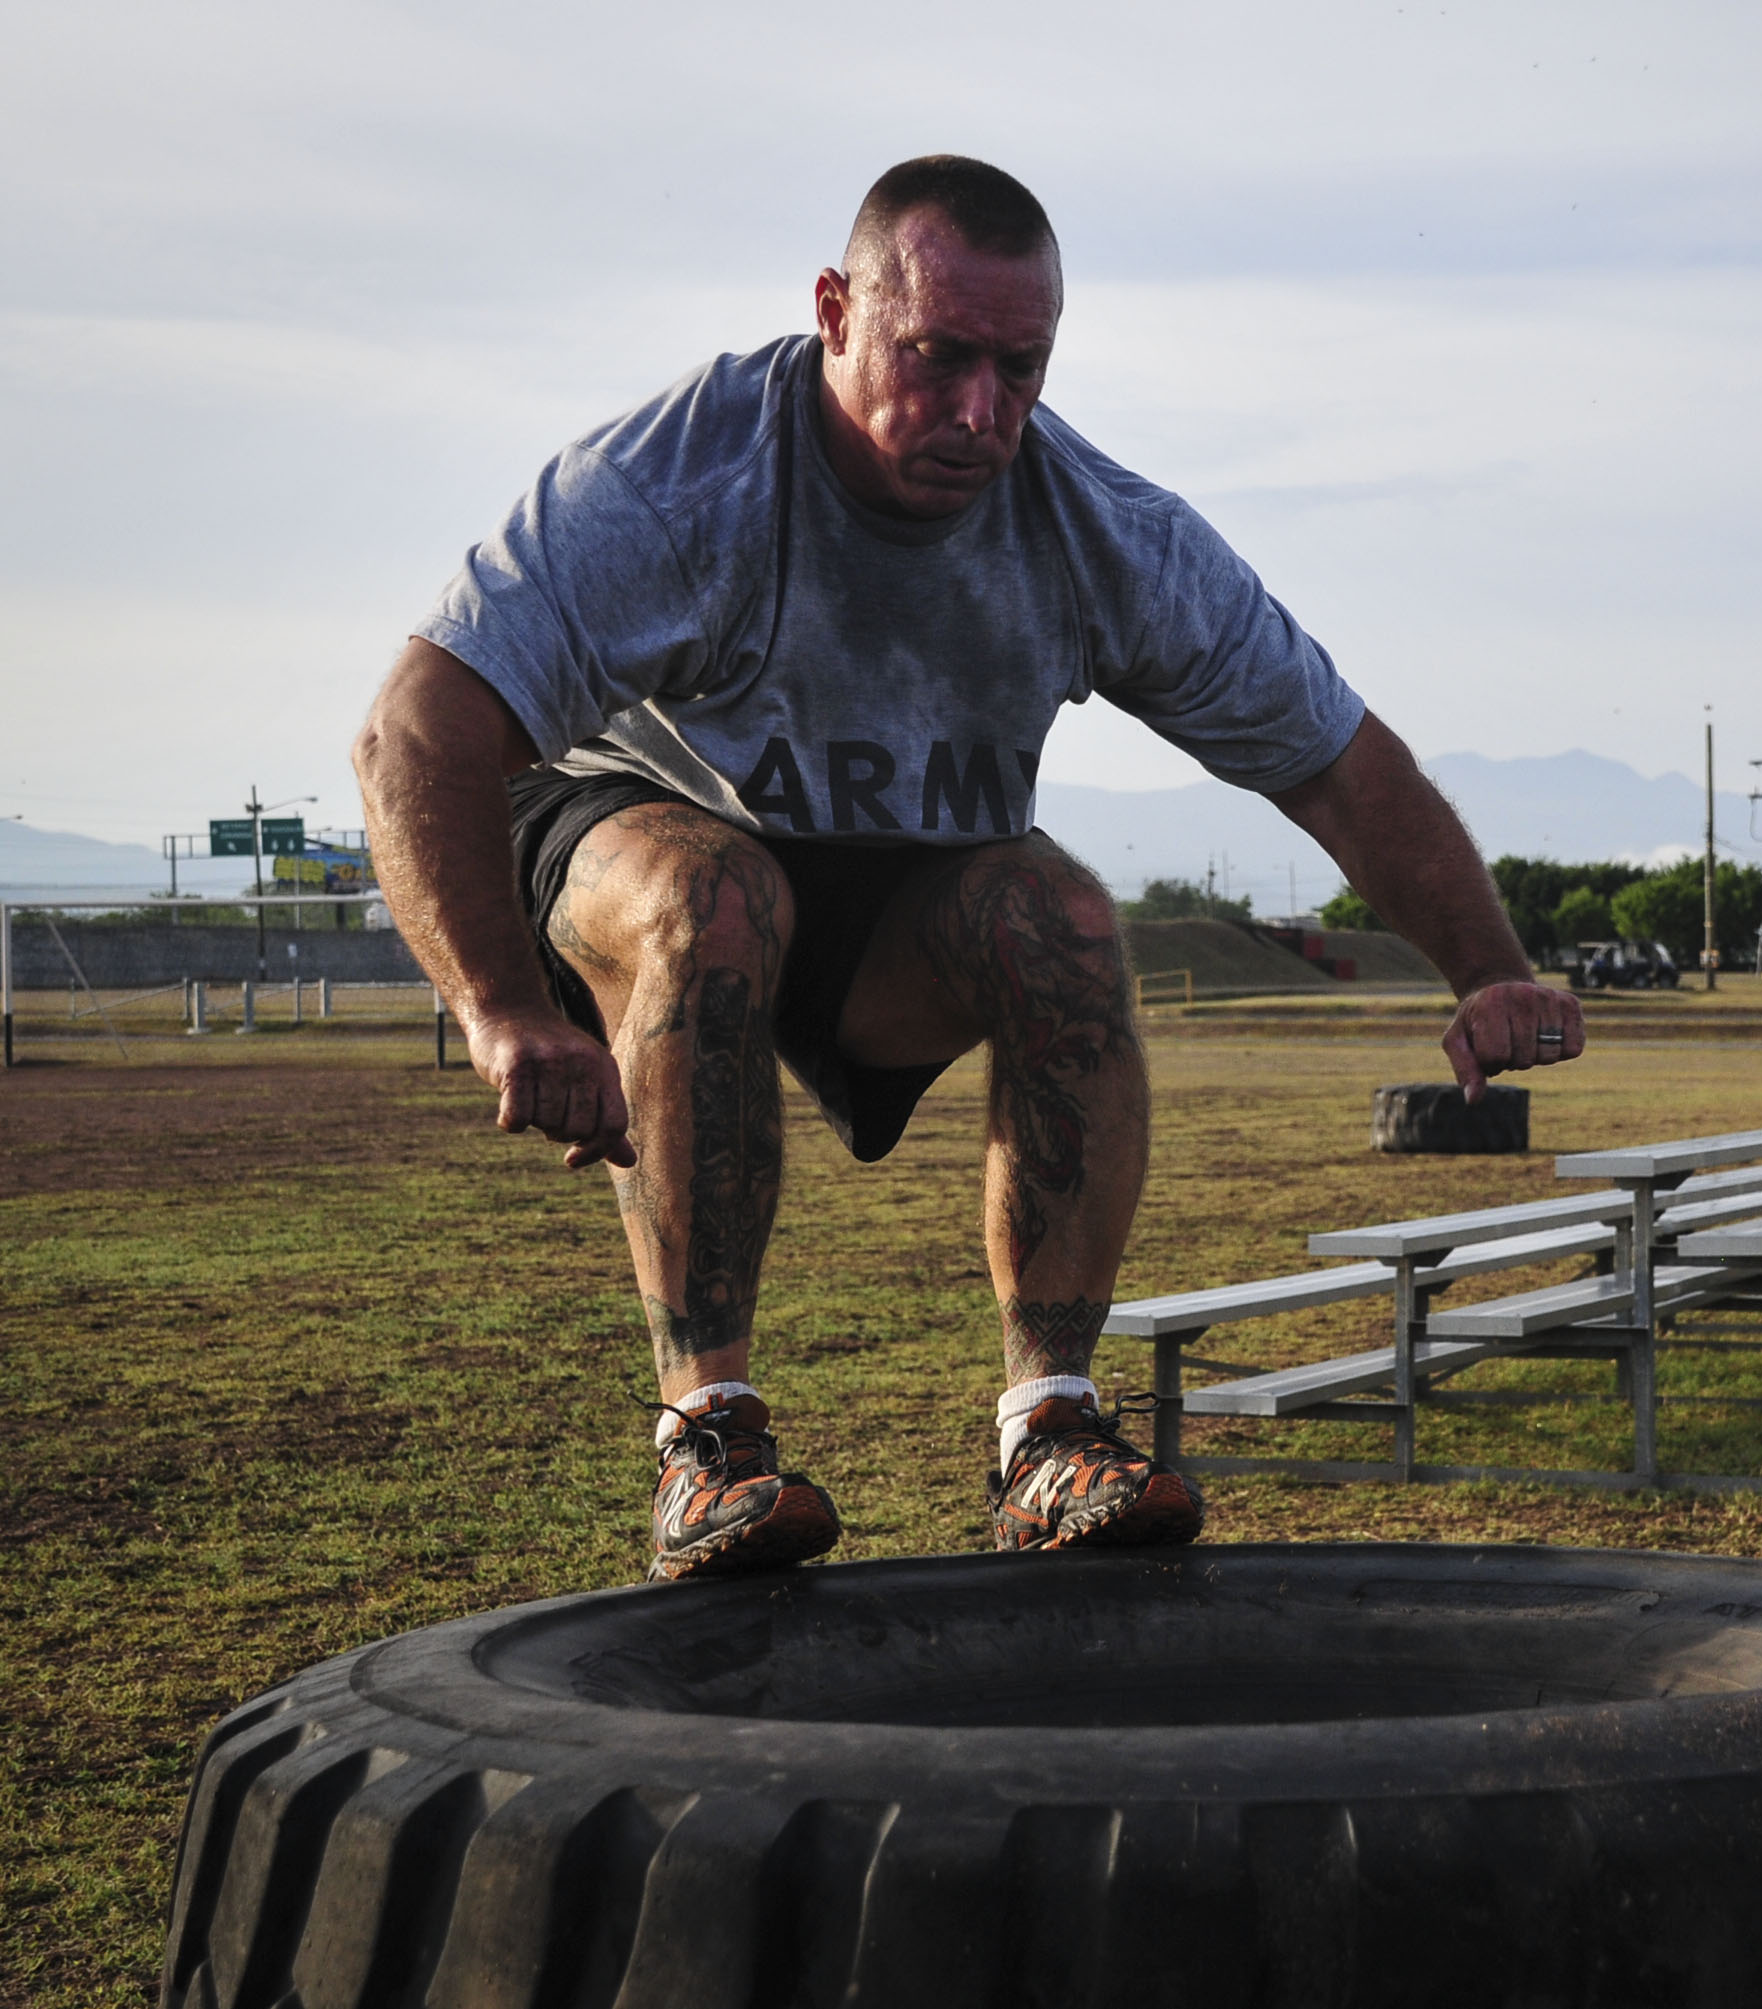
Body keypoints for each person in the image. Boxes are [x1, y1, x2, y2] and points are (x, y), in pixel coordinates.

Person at [352, 156, 1585, 1581]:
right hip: (625, 832)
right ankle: (707, 1438)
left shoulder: (1095, 529)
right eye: (935, 359)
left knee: (1059, 913)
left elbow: (1337, 764)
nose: (978, 415)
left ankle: (1047, 1435)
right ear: (834, 310)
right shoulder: (679, 483)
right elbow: (413, 731)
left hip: (880, 894)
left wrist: (1489, 966)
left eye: (1020, 369)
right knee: (710, 893)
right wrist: (502, 1006)